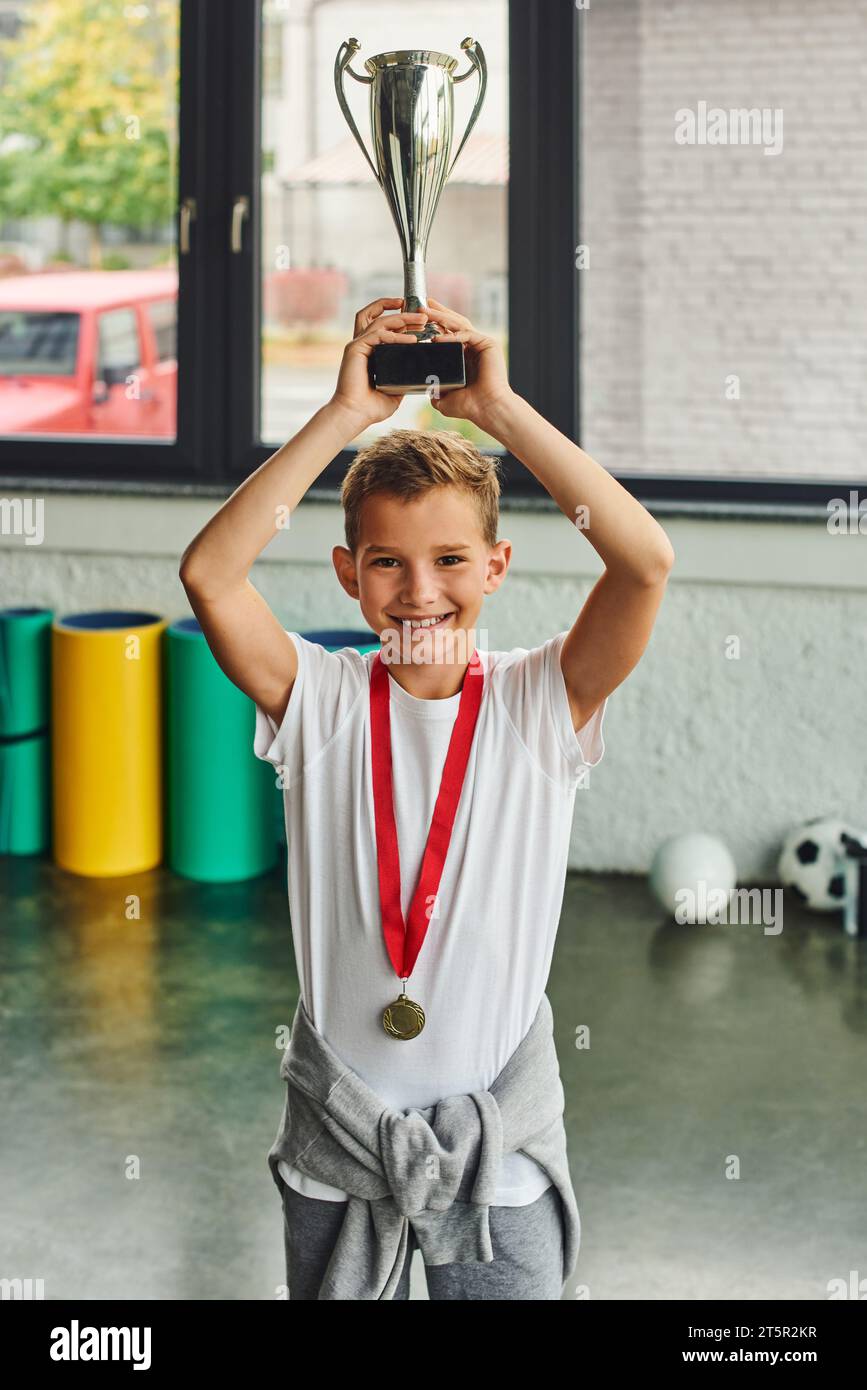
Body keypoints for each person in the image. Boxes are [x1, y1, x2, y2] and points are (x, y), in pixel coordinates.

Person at [179, 296, 675, 1300]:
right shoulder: (318, 697)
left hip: (499, 1158)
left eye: (451, 560)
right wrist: (342, 416)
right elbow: (210, 573)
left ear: (496, 566)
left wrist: (495, 409)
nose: (420, 591)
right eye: (389, 564)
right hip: (340, 1150)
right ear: (349, 576)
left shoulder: (541, 700)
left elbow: (645, 561)